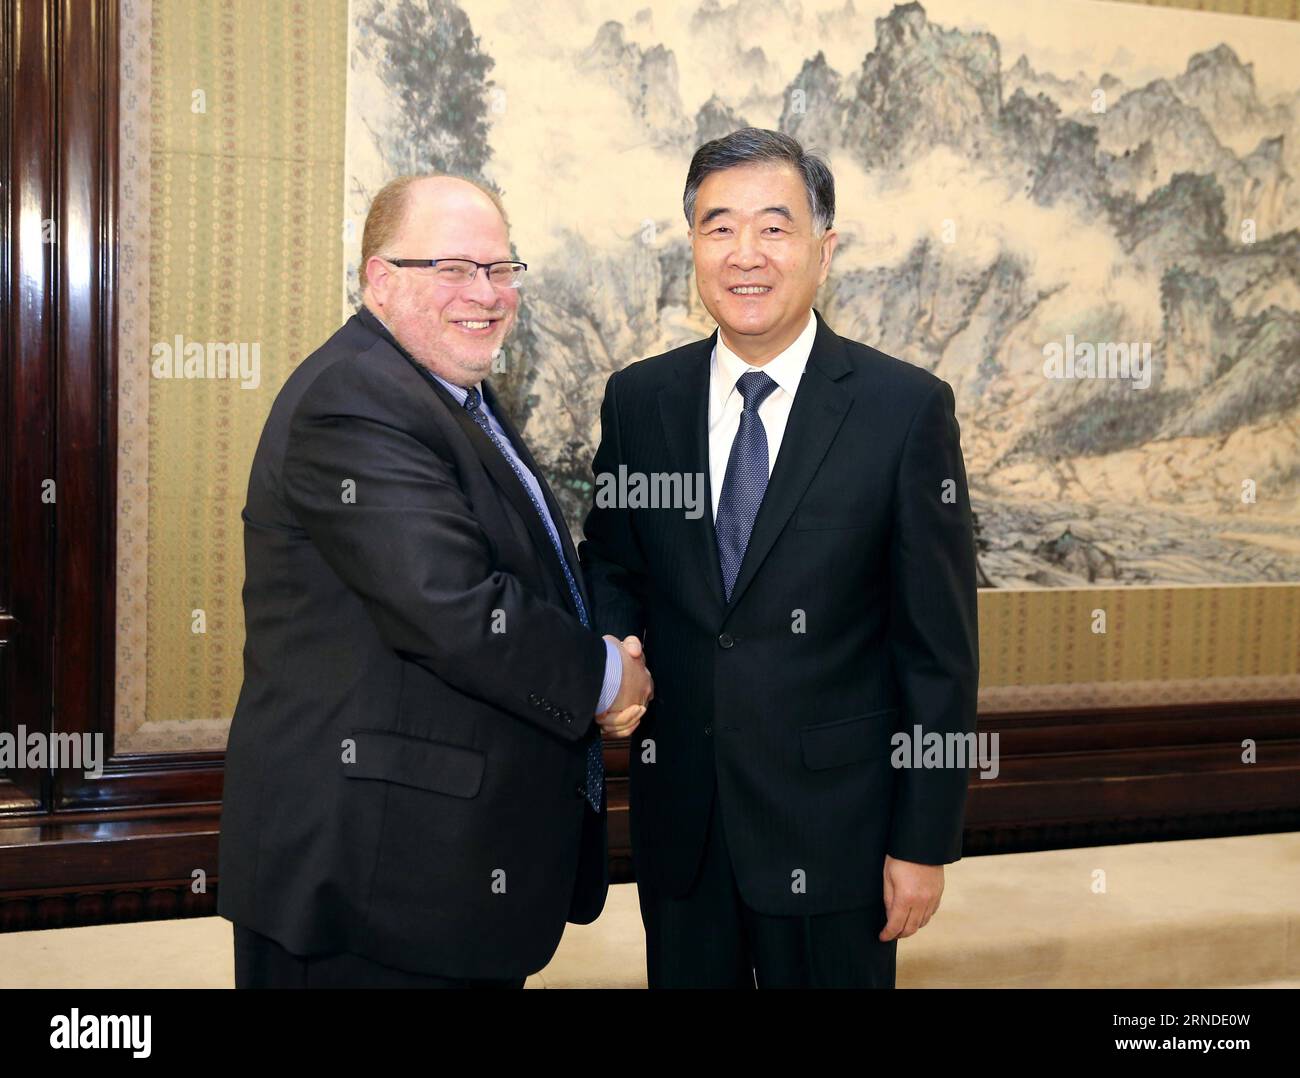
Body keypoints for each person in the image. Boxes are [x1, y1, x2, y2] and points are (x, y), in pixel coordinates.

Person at [219, 173, 651, 988]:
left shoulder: (445, 394)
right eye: (453, 268)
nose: (485, 294)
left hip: (436, 878)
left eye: (500, 269)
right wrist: (607, 676)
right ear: (380, 279)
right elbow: (455, 607)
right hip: (372, 884)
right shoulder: (353, 399)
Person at [580, 129, 979, 988]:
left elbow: (938, 653)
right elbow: (612, 561)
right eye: (719, 228)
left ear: (823, 251)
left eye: (775, 226)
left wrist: (922, 841)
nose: (745, 254)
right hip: (683, 827)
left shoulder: (903, 412)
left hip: (836, 834)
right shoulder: (642, 400)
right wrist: (619, 652)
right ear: (693, 247)